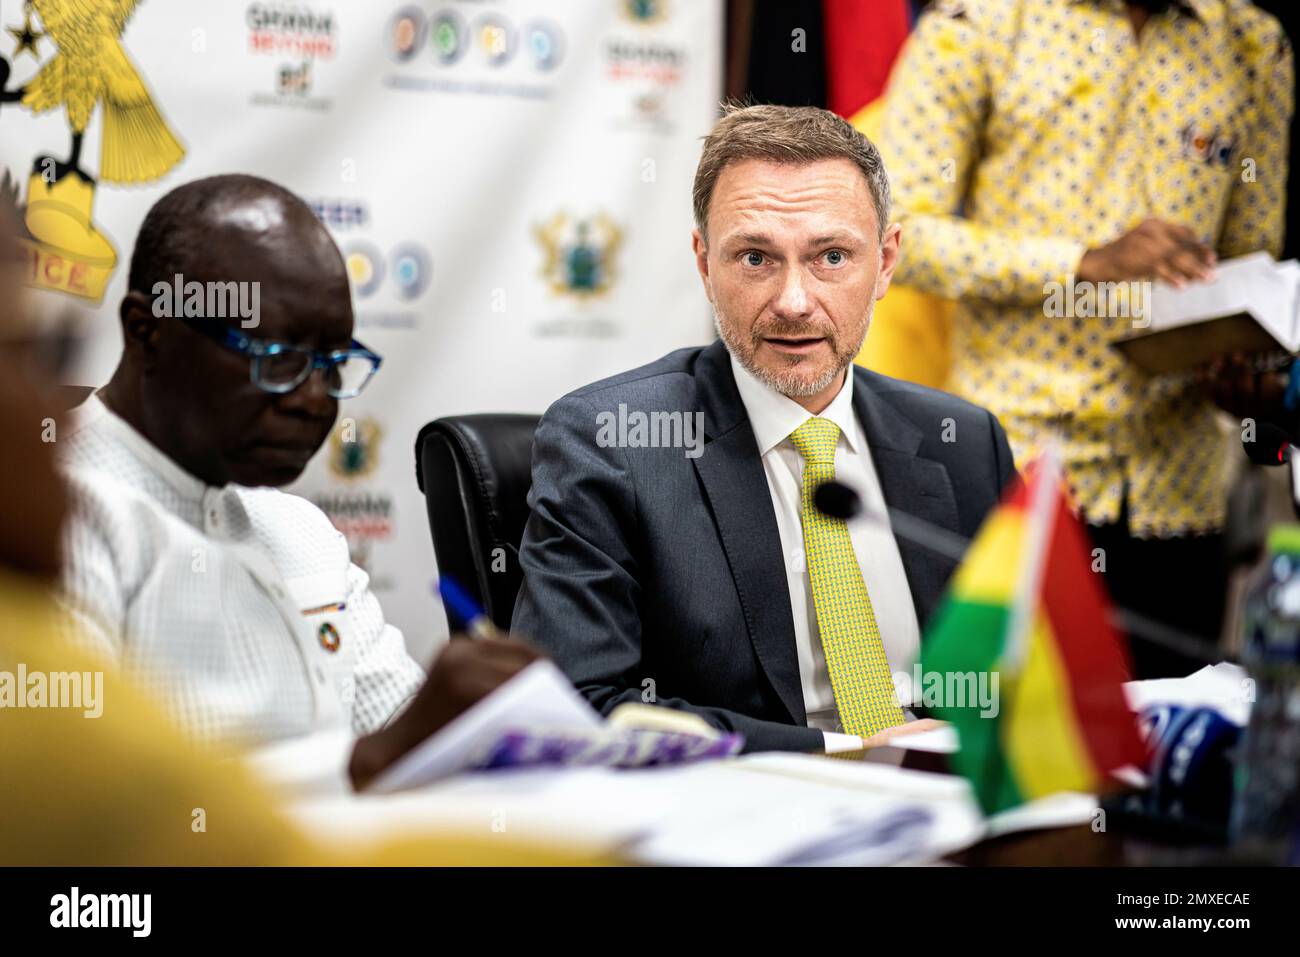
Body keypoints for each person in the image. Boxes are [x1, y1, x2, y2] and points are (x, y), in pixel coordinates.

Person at [512, 104, 1016, 754]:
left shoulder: (965, 442)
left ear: (887, 261)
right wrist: (849, 754)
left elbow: (1025, 682)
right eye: (755, 258)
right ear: (703, 263)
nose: (795, 302)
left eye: (831, 256)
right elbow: (581, 706)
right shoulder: (610, 445)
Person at [55, 174, 539, 783]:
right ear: (149, 331)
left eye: (333, 365)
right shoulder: (52, 519)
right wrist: (367, 762)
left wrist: (475, 724)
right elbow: (64, 802)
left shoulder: (298, 528)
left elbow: (405, 735)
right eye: (277, 359)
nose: (315, 400)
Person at [878, 0, 1293, 676]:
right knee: (1018, 758)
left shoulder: (1252, 41)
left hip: (1182, 491)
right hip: (1020, 472)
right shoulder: (980, 21)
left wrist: (1245, 363)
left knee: (1166, 749)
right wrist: (1082, 262)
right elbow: (896, 233)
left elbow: (1253, 257)